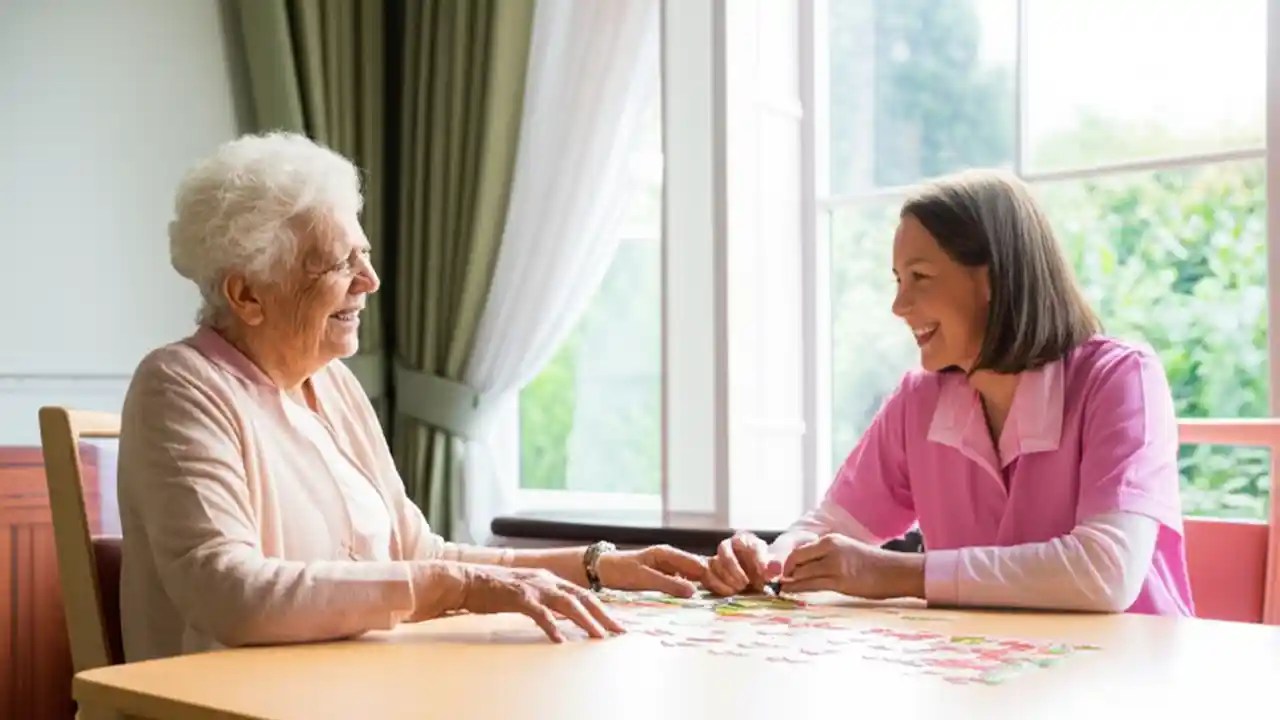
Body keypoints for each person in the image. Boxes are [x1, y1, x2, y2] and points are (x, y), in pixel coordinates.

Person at [117, 132, 707, 662]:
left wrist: (595, 566)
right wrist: (453, 588)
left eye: (364, 255)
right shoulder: (179, 386)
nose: (369, 281)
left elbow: (417, 551)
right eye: (338, 264)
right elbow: (231, 594)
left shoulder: (333, 384)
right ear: (247, 294)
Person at [707, 169, 1194, 616]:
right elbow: (833, 526)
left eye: (920, 277)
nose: (899, 305)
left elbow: (1106, 572)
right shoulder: (919, 400)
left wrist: (895, 574)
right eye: (898, 280)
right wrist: (766, 561)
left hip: (1126, 682)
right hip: (990, 678)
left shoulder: (1121, 379)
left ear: (993, 278)